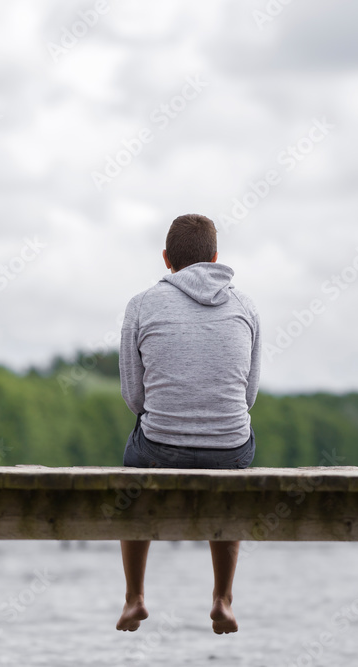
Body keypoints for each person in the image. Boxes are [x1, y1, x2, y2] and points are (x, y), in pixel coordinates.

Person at [116, 213, 261, 635]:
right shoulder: (245, 306)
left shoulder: (141, 305)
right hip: (230, 446)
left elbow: (134, 398)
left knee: (132, 471)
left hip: (159, 447)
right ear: (215, 257)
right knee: (231, 471)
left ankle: (134, 598)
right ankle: (223, 598)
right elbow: (249, 396)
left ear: (166, 259)